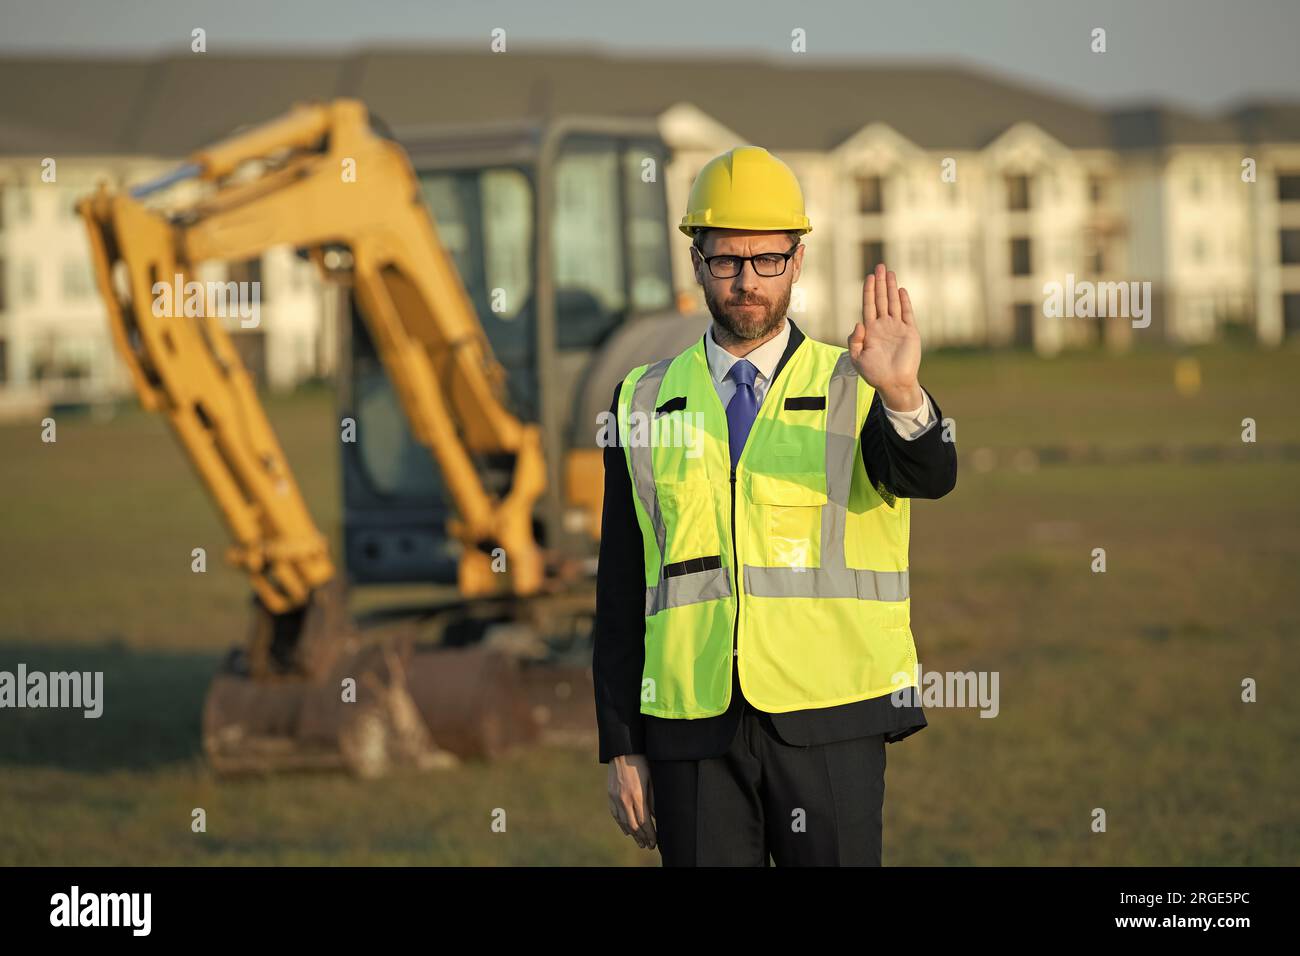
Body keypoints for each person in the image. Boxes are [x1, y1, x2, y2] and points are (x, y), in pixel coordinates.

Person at [593, 146, 957, 866]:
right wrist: (622, 744)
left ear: (796, 261)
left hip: (831, 722)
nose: (746, 282)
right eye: (727, 260)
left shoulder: (857, 383)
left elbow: (930, 472)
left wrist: (904, 395)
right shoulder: (640, 398)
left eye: (767, 261)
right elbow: (620, 584)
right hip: (691, 729)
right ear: (696, 262)